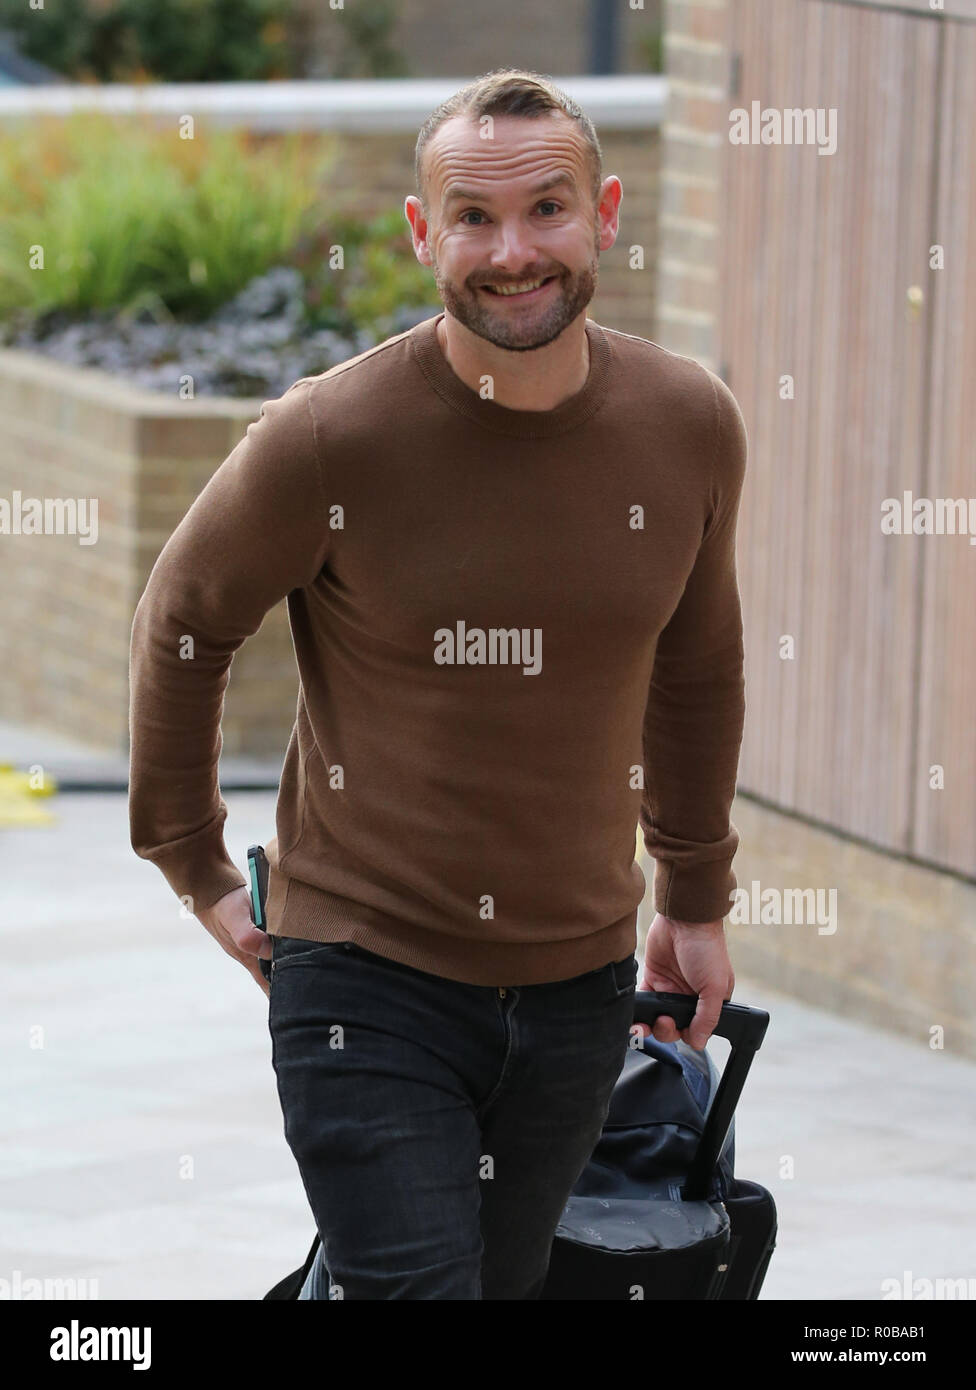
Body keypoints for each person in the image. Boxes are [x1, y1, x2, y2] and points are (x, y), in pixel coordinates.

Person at [127, 68, 746, 1300]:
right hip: (364, 971)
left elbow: (697, 657)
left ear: (607, 213)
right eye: (472, 216)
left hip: (578, 984)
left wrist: (690, 893)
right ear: (423, 233)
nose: (512, 251)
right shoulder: (329, 438)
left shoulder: (688, 425)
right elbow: (184, 620)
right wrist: (191, 859)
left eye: (547, 211)